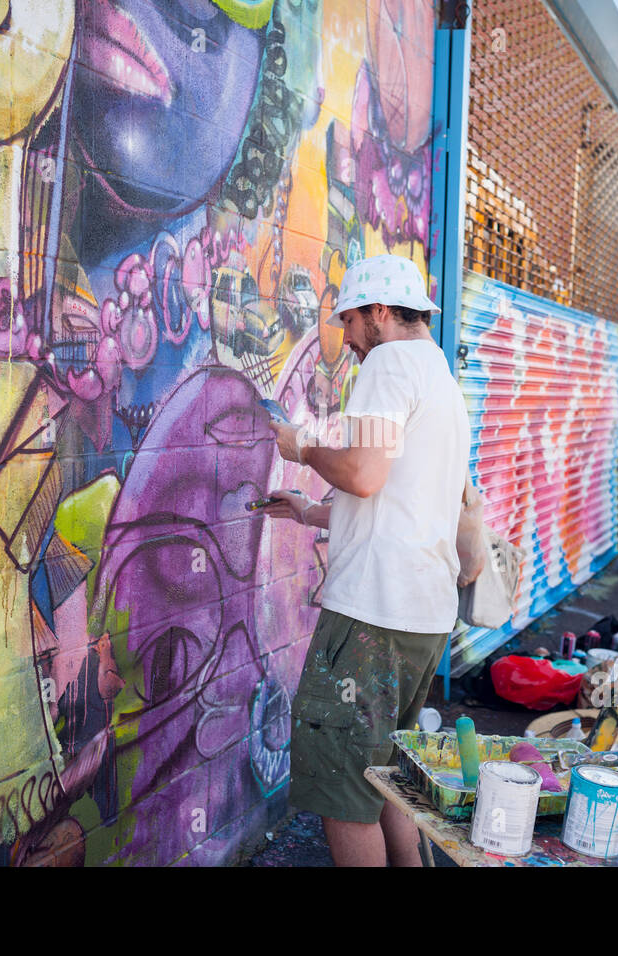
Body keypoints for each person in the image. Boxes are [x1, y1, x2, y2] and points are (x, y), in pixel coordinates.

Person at [263, 254, 469, 868]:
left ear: (380, 312)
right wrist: (307, 512)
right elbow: (404, 502)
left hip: (374, 615)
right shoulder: (439, 377)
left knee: (342, 789)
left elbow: (363, 473)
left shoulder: (388, 362)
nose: (346, 337)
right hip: (422, 616)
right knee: (383, 776)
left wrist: (301, 444)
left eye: (350, 320)